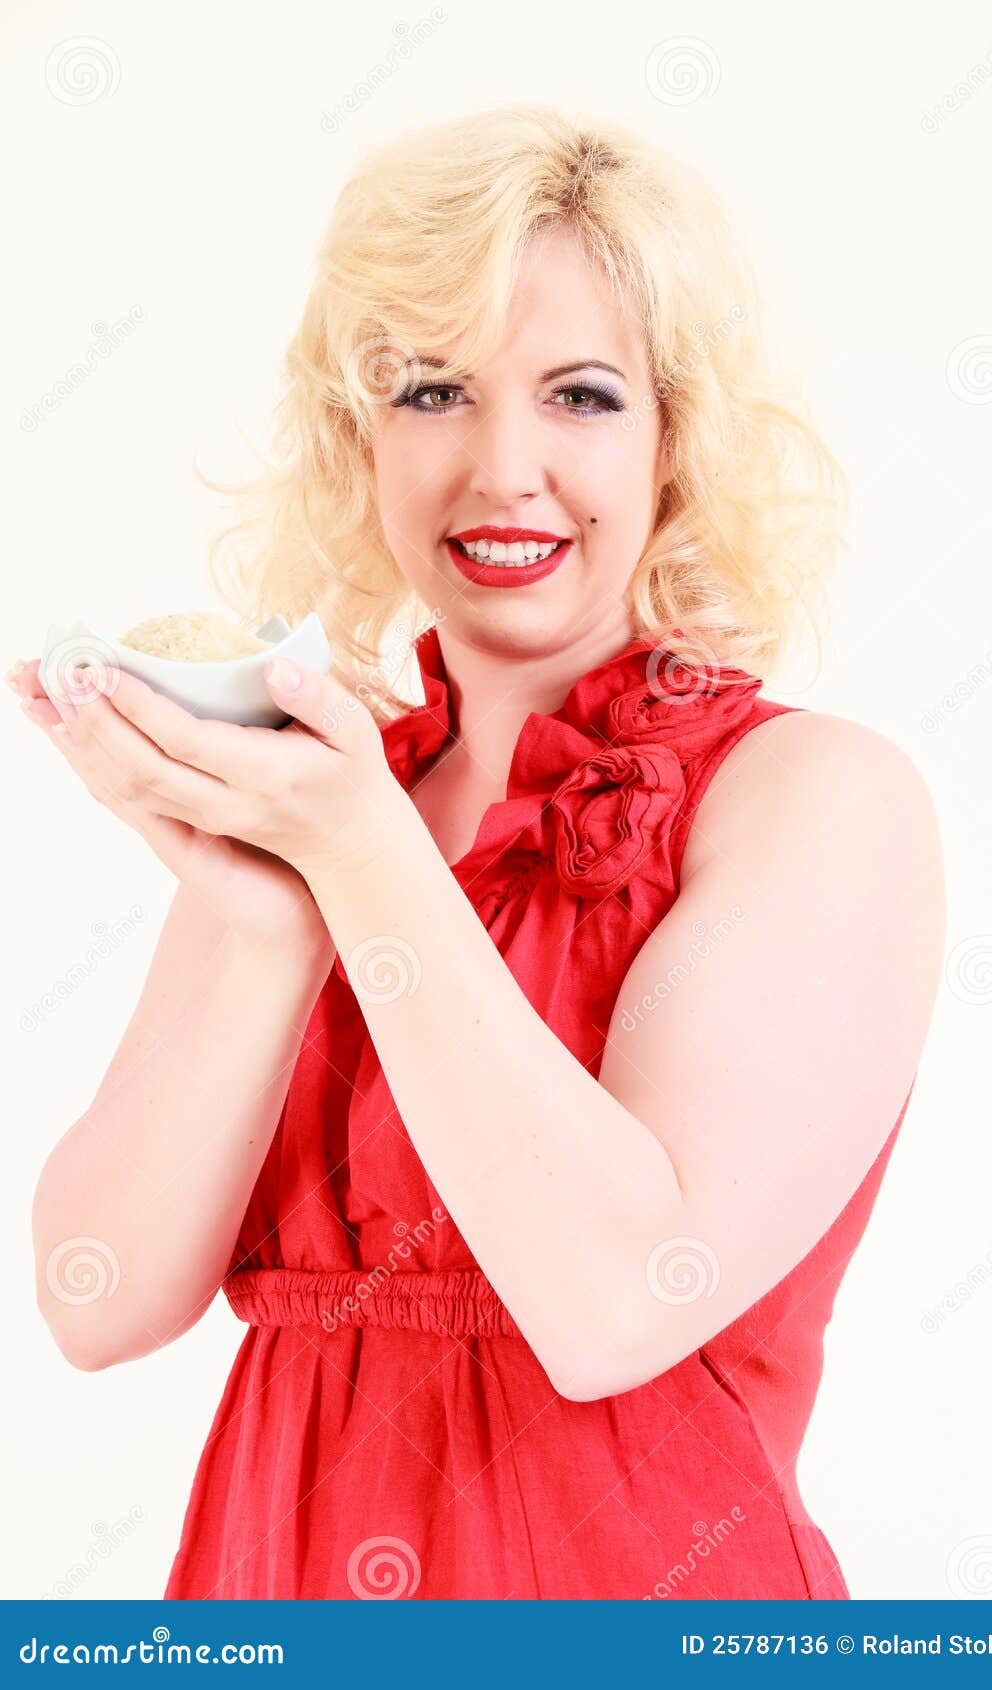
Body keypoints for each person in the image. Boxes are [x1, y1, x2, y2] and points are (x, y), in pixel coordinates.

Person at [18, 104, 945, 1600]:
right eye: (433, 389)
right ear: (357, 436)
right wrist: (267, 924)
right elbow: (98, 1297)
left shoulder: (816, 799)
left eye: (581, 396)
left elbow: (613, 1302)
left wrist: (361, 862)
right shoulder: (322, 797)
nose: (504, 467)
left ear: (678, 438)